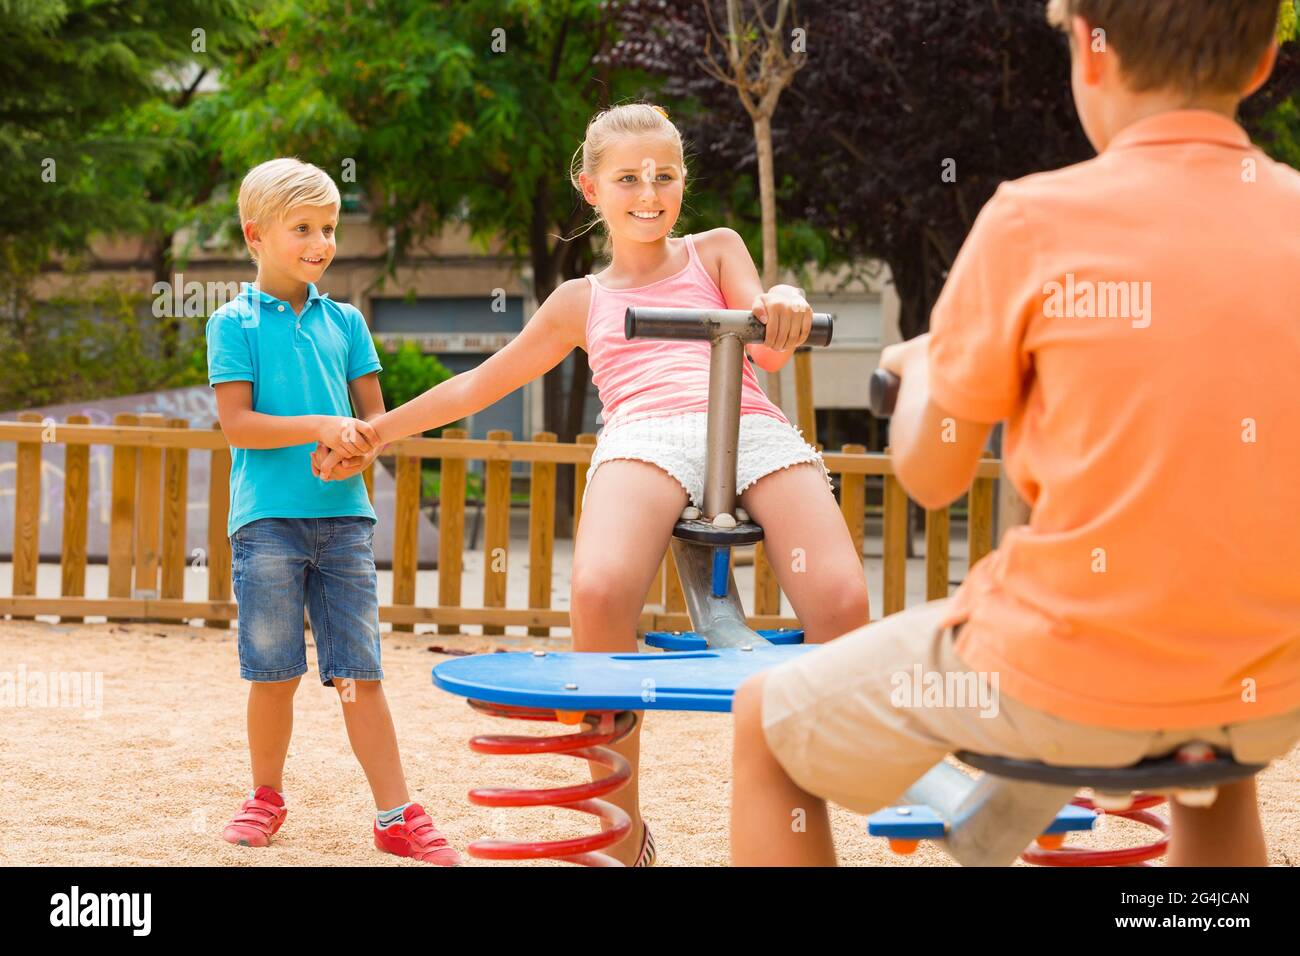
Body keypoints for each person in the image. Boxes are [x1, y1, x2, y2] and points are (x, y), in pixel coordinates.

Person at [729, 0, 1300, 866]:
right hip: (1270, 684)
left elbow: (931, 473)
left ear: (1090, 53)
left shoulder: (1032, 223)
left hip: (1063, 676)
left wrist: (925, 373)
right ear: (1263, 60)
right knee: (1212, 755)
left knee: (765, 725)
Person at [318, 104, 872, 865]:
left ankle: (797, 802)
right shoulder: (583, 299)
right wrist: (376, 432)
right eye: (628, 178)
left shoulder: (714, 252)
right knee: (602, 591)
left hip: (747, 424)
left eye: (665, 176)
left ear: (683, 182)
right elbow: (480, 383)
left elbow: (771, 350)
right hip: (645, 433)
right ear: (591, 189)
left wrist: (783, 301)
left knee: (841, 600)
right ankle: (622, 829)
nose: (649, 193)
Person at [207, 157, 459, 864]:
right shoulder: (232, 323)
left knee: (359, 673)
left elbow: (374, 421)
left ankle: (394, 813)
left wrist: (353, 451)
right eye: (303, 228)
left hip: (346, 521)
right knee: (273, 672)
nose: (321, 242)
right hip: (266, 525)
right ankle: (265, 796)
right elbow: (239, 425)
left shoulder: (347, 322)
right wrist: (323, 426)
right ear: (256, 236)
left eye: (329, 228)